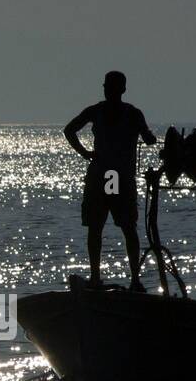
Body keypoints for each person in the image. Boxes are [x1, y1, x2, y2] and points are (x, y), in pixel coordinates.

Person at [64, 71, 156, 292]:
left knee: (118, 227)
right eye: (108, 87)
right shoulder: (119, 112)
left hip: (110, 177)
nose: (109, 91)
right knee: (110, 227)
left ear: (121, 89)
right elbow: (69, 130)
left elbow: (70, 130)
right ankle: (112, 279)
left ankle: (123, 279)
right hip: (111, 177)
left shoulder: (125, 113)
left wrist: (86, 153)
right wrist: (85, 153)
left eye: (111, 87)